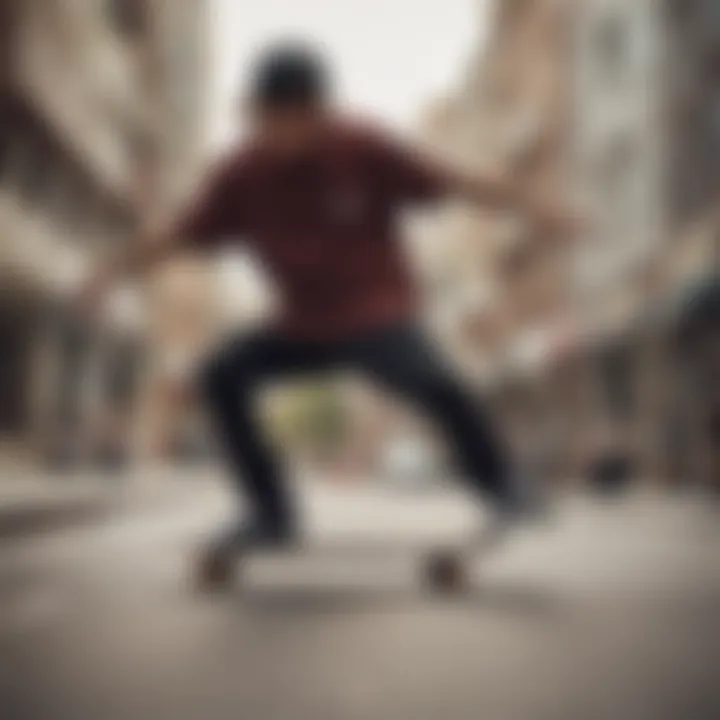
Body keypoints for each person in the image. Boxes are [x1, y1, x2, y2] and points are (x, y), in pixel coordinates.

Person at [81, 43, 581, 589]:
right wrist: (110, 269)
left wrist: (535, 207)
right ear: (254, 114)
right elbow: (177, 235)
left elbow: (456, 181)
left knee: (438, 384)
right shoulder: (240, 175)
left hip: (376, 314)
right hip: (299, 324)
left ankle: (501, 485)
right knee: (221, 374)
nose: (285, 134)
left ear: (321, 113)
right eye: (271, 120)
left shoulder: (362, 147)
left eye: (300, 120)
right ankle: (270, 514)